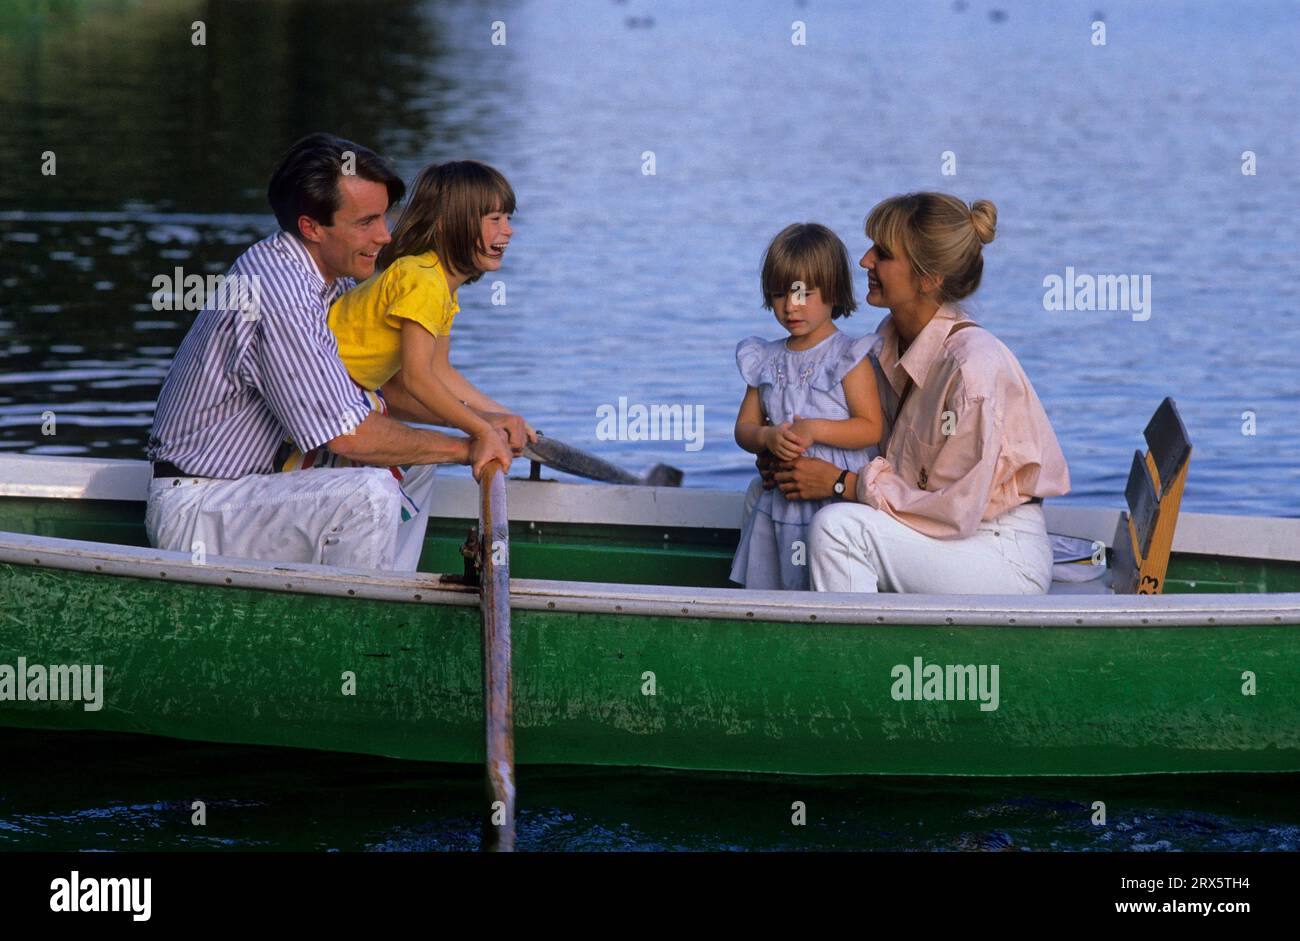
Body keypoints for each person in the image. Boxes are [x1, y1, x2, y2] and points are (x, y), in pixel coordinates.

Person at [144, 133, 509, 571]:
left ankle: (393, 595)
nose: (384, 236)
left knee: (413, 463)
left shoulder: (327, 279)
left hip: (254, 493)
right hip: (202, 508)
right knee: (370, 493)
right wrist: (468, 447)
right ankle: (359, 624)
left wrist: (488, 425)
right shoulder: (279, 292)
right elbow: (347, 435)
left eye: (384, 218)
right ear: (311, 227)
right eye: (366, 223)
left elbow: (379, 391)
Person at [768, 193, 1071, 594]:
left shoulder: (972, 370)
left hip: (996, 552)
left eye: (883, 253)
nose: (864, 262)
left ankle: (846, 655)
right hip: (938, 537)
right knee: (770, 493)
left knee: (837, 529)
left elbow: (954, 513)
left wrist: (843, 484)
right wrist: (792, 458)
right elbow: (871, 443)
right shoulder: (889, 340)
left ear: (928, 279)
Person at [279, 159, 534, 481]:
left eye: (508, 218)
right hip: (323, 406)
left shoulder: (438, 284)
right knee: (393, 480)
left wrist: (499, 416)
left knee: (416, 471)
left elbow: (440, 371)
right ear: (447, 223)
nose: (508, 230)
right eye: (495, 219)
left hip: (352, 399)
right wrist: (481, 429)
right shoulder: (423, 282)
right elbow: (417, 378)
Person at [730, 223, 884, 590]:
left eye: (803, 293)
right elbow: (744, 428)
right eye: (780, 293)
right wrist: (767, 437)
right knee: (779, 582)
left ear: (832, 292)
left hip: (832, 495)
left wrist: (814, 429)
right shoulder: (765, 359)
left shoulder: (847, 356)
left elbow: (870, 427)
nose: (790, 306)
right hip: (783, 497)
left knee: (824, 574)